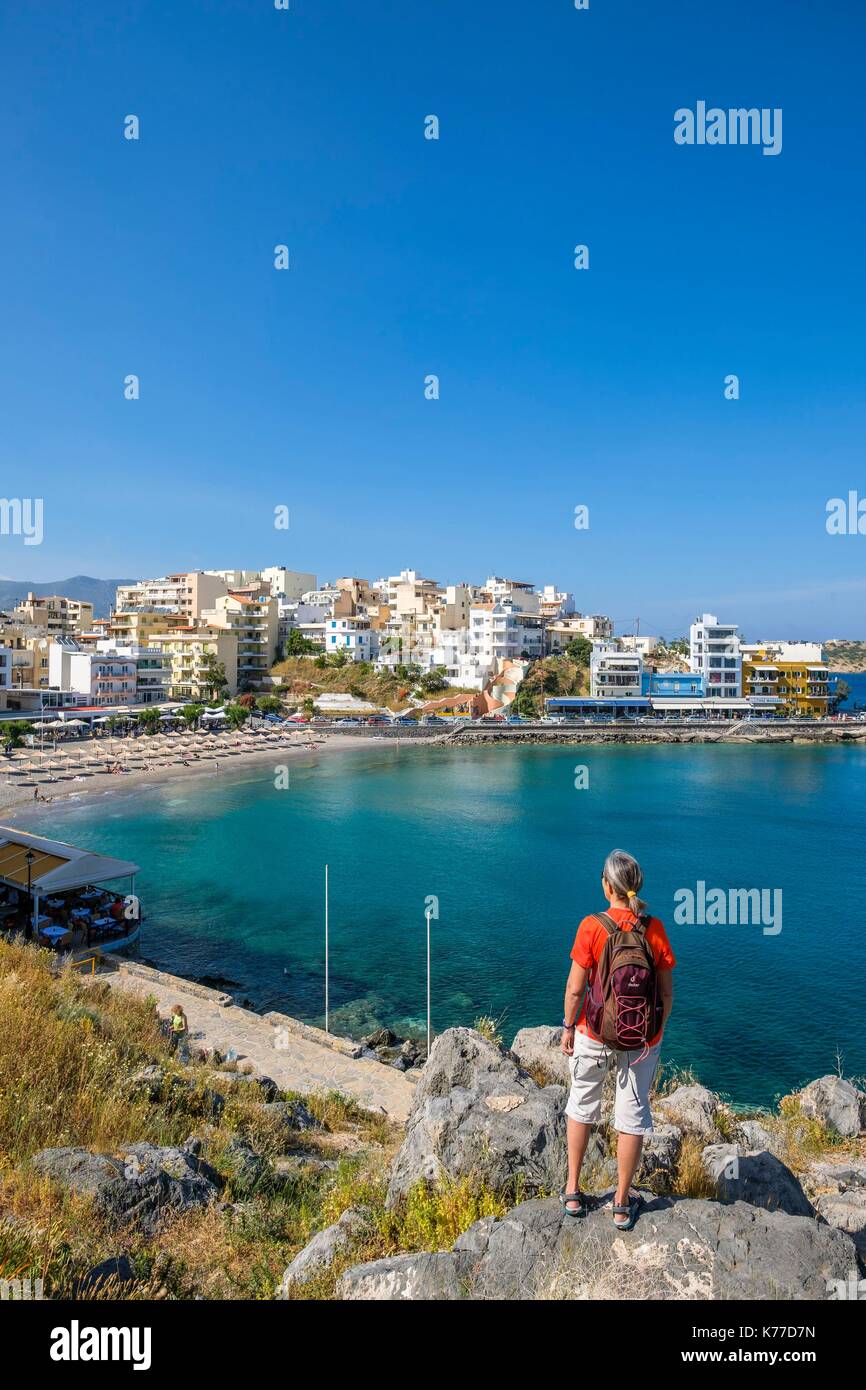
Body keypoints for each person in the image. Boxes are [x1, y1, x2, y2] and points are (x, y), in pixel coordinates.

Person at [560, 849, 675, 1230]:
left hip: (594, 1030)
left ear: (607, 885)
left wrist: (567, 1026)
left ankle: (573, 1190)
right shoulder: (654, 929)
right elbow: (666, 994)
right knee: (632, 1113)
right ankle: (622, 1203)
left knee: (582, 1104)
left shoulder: (591, 926)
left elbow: (576, 989)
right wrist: (654, 1033)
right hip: (641, 1039)